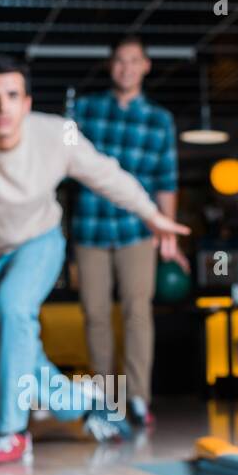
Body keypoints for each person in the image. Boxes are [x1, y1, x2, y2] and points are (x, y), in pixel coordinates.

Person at [0, 54, 189, 466]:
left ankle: (11, 432)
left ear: (28, 103)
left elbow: (106, 174)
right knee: (14, 349)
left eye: (13, 96)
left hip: (38, 241)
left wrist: (152, 214)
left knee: (15, 310)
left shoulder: (57, 135)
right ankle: (83, 406)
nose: (3, 108)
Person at [71, 35, 184, 429]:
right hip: (90, 226)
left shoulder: (159, 120)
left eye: (134, 60)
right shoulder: (84, 110)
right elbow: (63, 160)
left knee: (138, 312)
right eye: (119, 60)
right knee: (95, 314)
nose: (126, 67)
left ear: (146, 66)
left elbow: (166, 180)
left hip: (138, 229)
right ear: (110, 66)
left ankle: (137, 397)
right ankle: (106, 397)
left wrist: (168, 234)